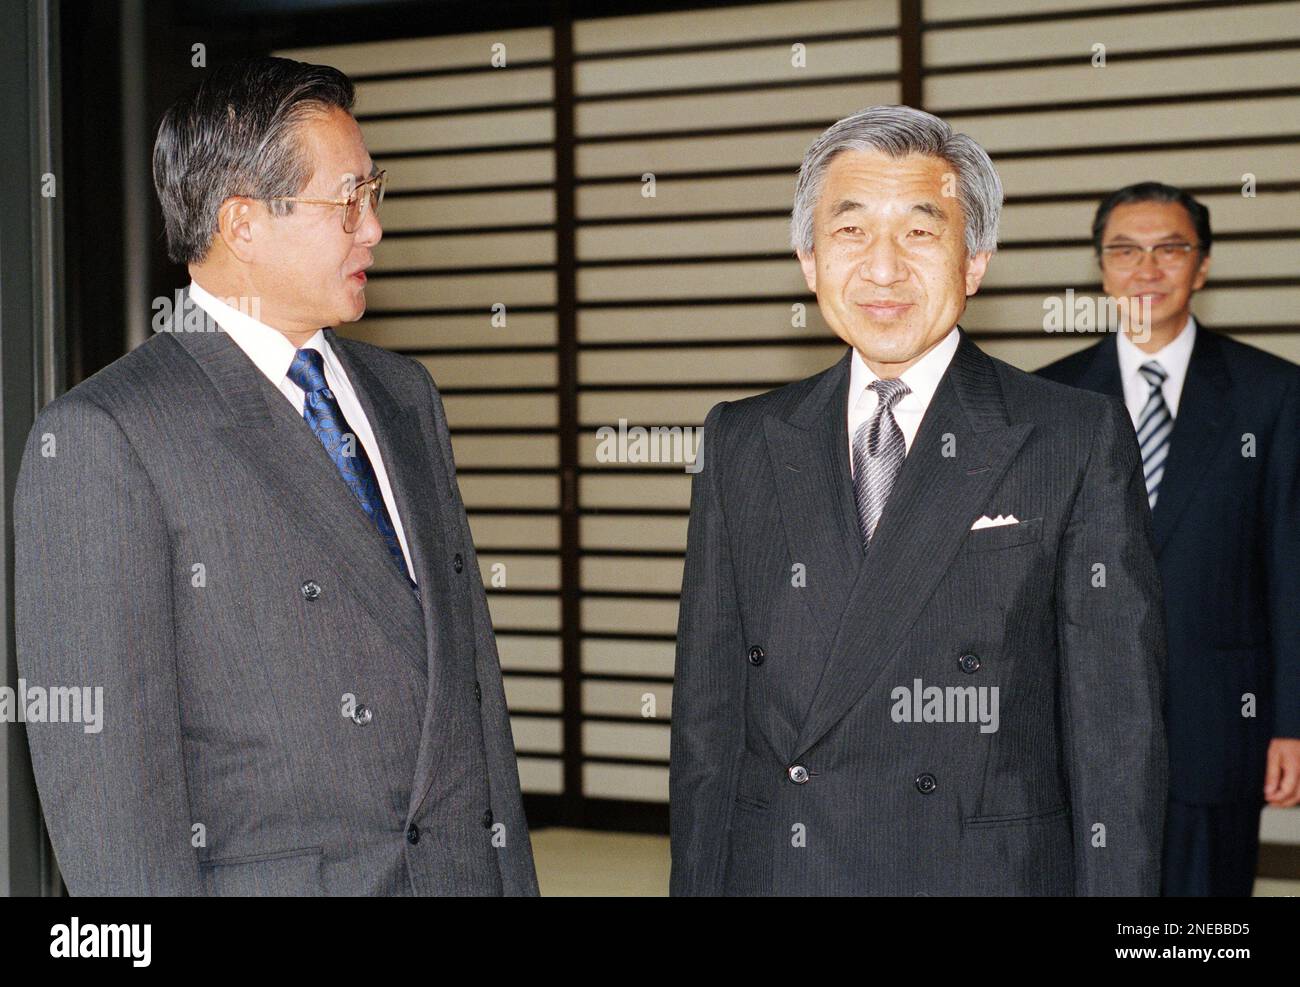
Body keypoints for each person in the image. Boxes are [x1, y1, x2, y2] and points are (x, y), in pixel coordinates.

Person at [13, 56, 538, 896]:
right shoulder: (108, 436)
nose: (373, 228)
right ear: (243, 223)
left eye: (375, 192)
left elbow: (474, 698)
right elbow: (112, 810)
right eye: (348, 200)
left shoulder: (405, 395)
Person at [669, 105, 1167, 896]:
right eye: (851, 230)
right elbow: (707, 722)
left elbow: (1116, 729)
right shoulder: (741, 438)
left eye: (920, 231)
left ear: (975, 262)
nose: (883, 268)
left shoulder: (1071, 435)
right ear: (809, 261)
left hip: (980, 873)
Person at [1037, 182, 1300, 896]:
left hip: (1218, 724)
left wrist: (1291, 723)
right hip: (1073, 730)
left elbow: (1290, 567)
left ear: (1203, 265)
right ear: (1101, 268)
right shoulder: (1048, 400)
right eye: (1125, 250)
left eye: (1170, 249)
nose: (1146, 268)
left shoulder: (1273, 393)